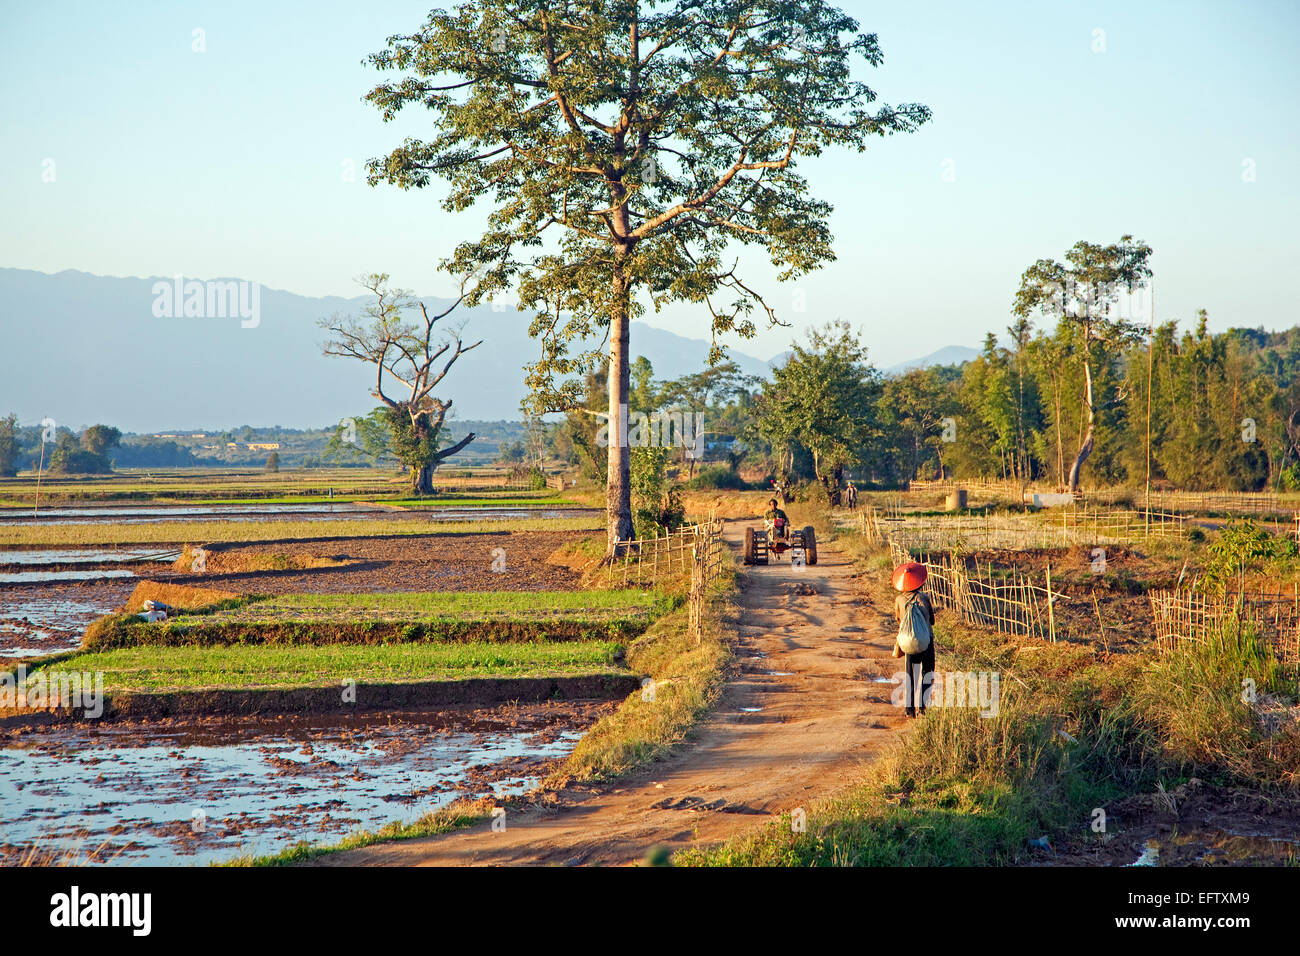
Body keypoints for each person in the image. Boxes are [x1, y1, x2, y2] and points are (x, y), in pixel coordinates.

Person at [892, 561, 936, 718]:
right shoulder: (924, 598)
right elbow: (932, 621)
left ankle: (909, 711)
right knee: (927, 674)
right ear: (919, 582)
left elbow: (899, 619)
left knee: (910, 676)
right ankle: (923, 709)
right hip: (926, 641)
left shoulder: (899, 600)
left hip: (909, 643)